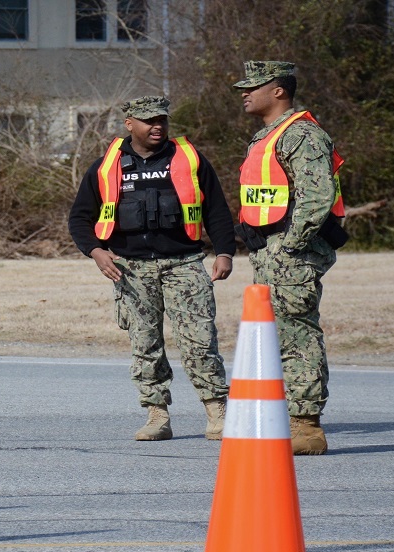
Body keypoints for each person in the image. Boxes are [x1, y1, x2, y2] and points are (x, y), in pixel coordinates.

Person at [68, 95, 237, 442]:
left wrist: (225, 253)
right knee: (145, 345)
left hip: (185, 264)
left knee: (200, 342)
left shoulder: (188, 159)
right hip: (130, 269)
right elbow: (79, 218)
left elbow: (216, 210)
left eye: (162, 119)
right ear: (129, 124)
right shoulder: (106, 166)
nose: (157, 126)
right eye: (148, 120)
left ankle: (217, 412)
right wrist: (96, 252)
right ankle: (157, 415)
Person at [232, 61, 349, 455]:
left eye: (253, 87)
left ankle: (307, 426)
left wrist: (289, 246)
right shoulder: (268, 135)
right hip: (270, 252)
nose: (245, 94)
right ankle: (284, 418)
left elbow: (317, 199)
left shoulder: (302, 135)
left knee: (297, 335)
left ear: (278, 91)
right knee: (277, 336)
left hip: (290, 253)